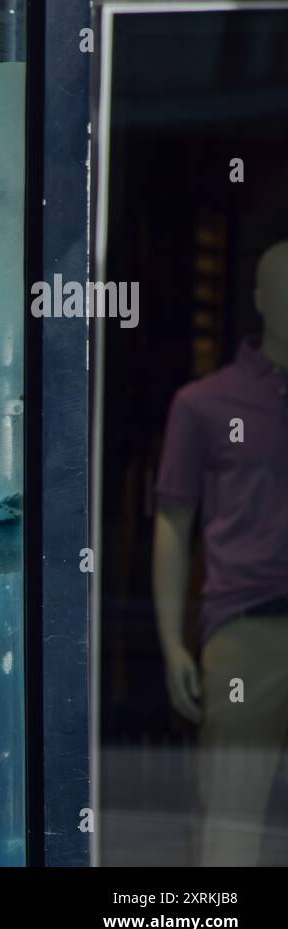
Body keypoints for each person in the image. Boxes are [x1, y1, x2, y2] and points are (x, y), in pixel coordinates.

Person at [153, 239, 288, 866]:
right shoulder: (205, 404)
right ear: (259, 297)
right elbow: (173, 524)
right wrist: (174, 641)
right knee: (232, 821)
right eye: (279, 283)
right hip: (244, 629)